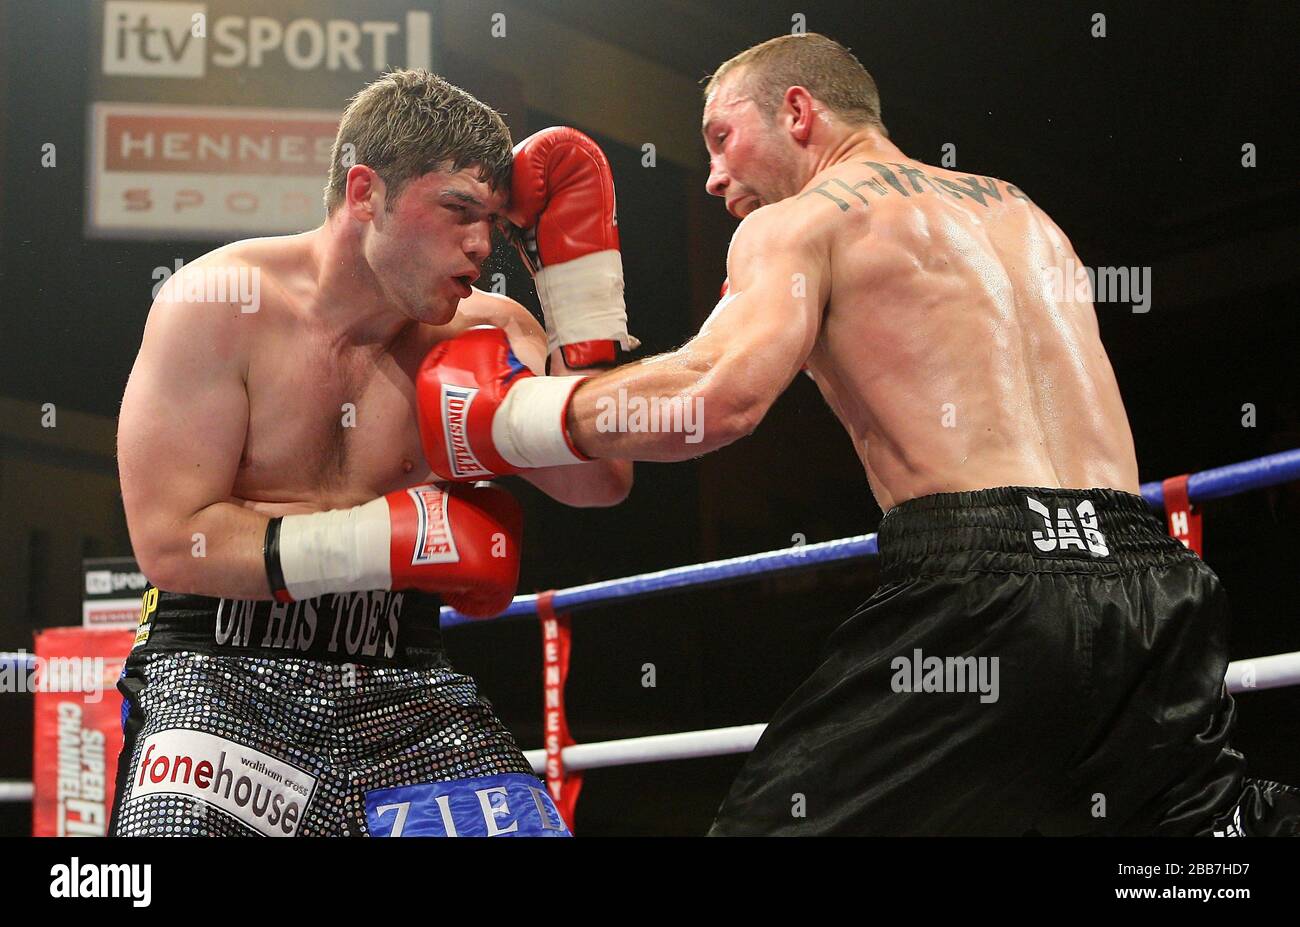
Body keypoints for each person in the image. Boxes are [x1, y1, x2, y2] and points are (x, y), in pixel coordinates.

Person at [415, 34, 1300, 835]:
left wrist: (507, 418)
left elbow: (711, 398)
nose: (714, 175)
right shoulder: (1023, 211)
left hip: (986, 588)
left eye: (721, 138)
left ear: (798, 111)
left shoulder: (801, 221)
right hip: (1149, 577)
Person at [110, 69, 633, 837]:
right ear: (365, 193)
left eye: (492, 220)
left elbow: (603, 481)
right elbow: (169, 541)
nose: (483, 245)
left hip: (406, 680)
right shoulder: (218, 302)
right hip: (219, 670)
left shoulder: (488, 329)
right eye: (459, 210)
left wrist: (576, 299)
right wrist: (385, 538)